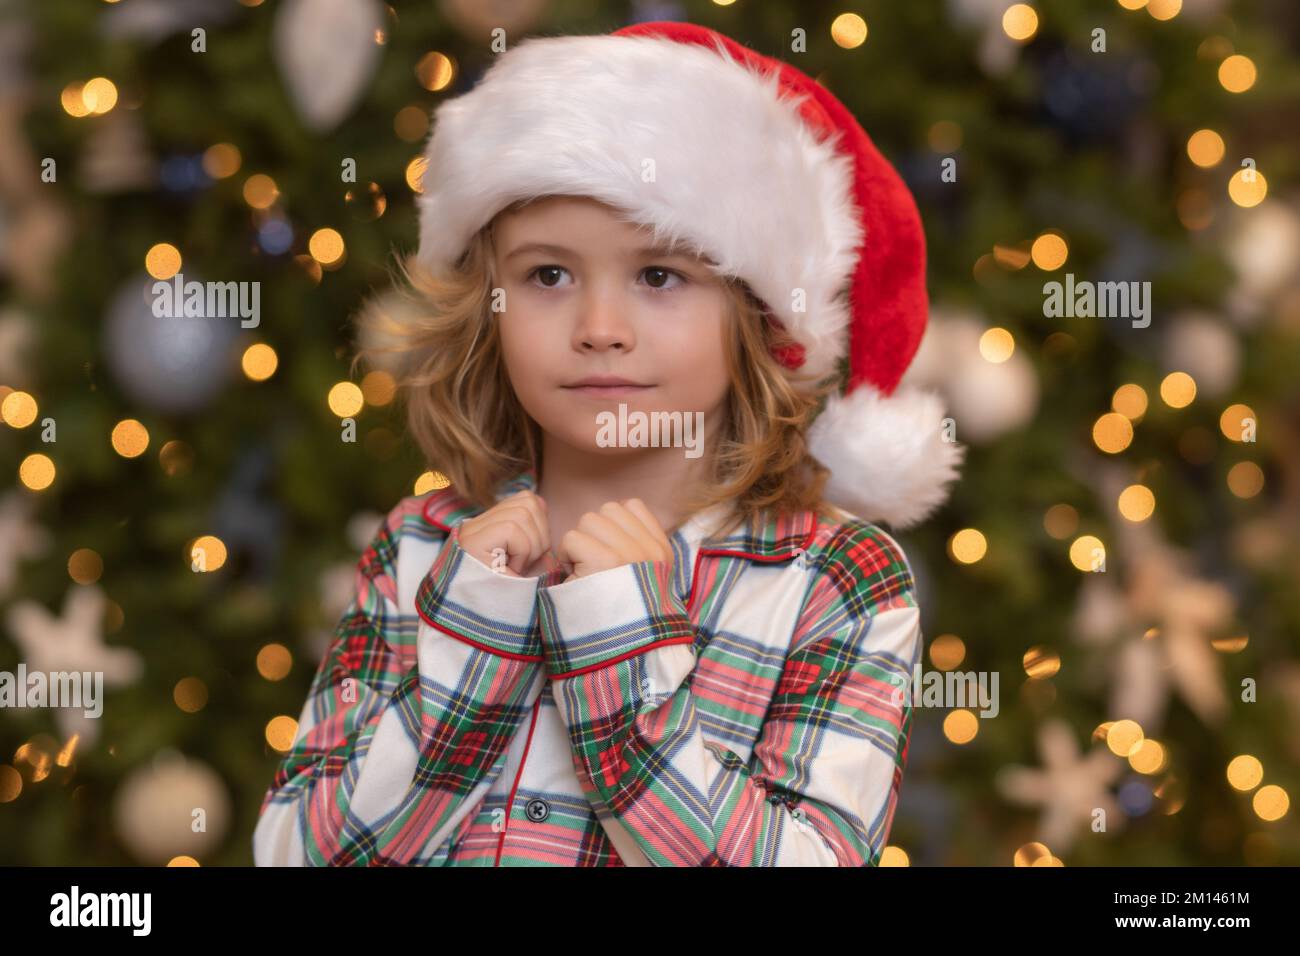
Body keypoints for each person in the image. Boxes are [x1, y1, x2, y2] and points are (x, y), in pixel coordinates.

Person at [253, 20, 962, 867]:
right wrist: (472, 642)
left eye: (660, 276)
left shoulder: (837, 582)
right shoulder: (423, 545)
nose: (598, 329)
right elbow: (296, 854)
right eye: (547, 275)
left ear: (757, 319)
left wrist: (619, 646)